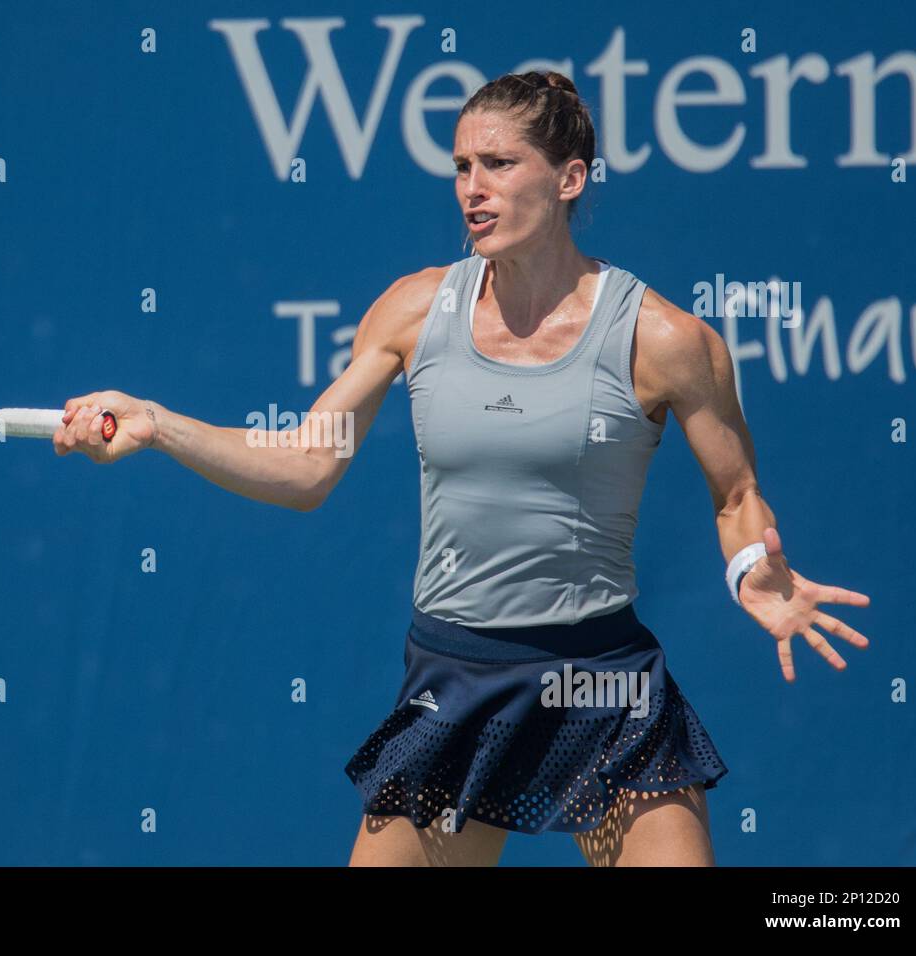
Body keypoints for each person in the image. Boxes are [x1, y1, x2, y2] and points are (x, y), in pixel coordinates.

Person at [51, 70, 872, 867]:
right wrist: (159, 426)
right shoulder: (413, 310)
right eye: (461, 167)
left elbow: (736, 493)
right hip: (457, 680)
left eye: (499, 165)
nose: (471, 188)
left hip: (603, 688)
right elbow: (307, 462)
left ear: (569, 178)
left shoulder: (663, 341)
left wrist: (750, 572)